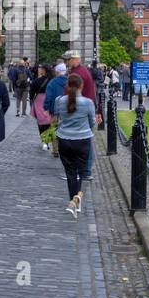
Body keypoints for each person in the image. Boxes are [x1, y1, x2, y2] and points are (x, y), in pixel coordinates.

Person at [53, 73, 96, 217]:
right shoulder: (88, 103)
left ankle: (73, 200)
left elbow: (56, 118)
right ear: (81, 86)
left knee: (70, 173)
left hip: (64, 139)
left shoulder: (59, 101)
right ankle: (76, 200)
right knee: (82, 173)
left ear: (67, 86)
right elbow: (92, 122)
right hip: (83, 140)